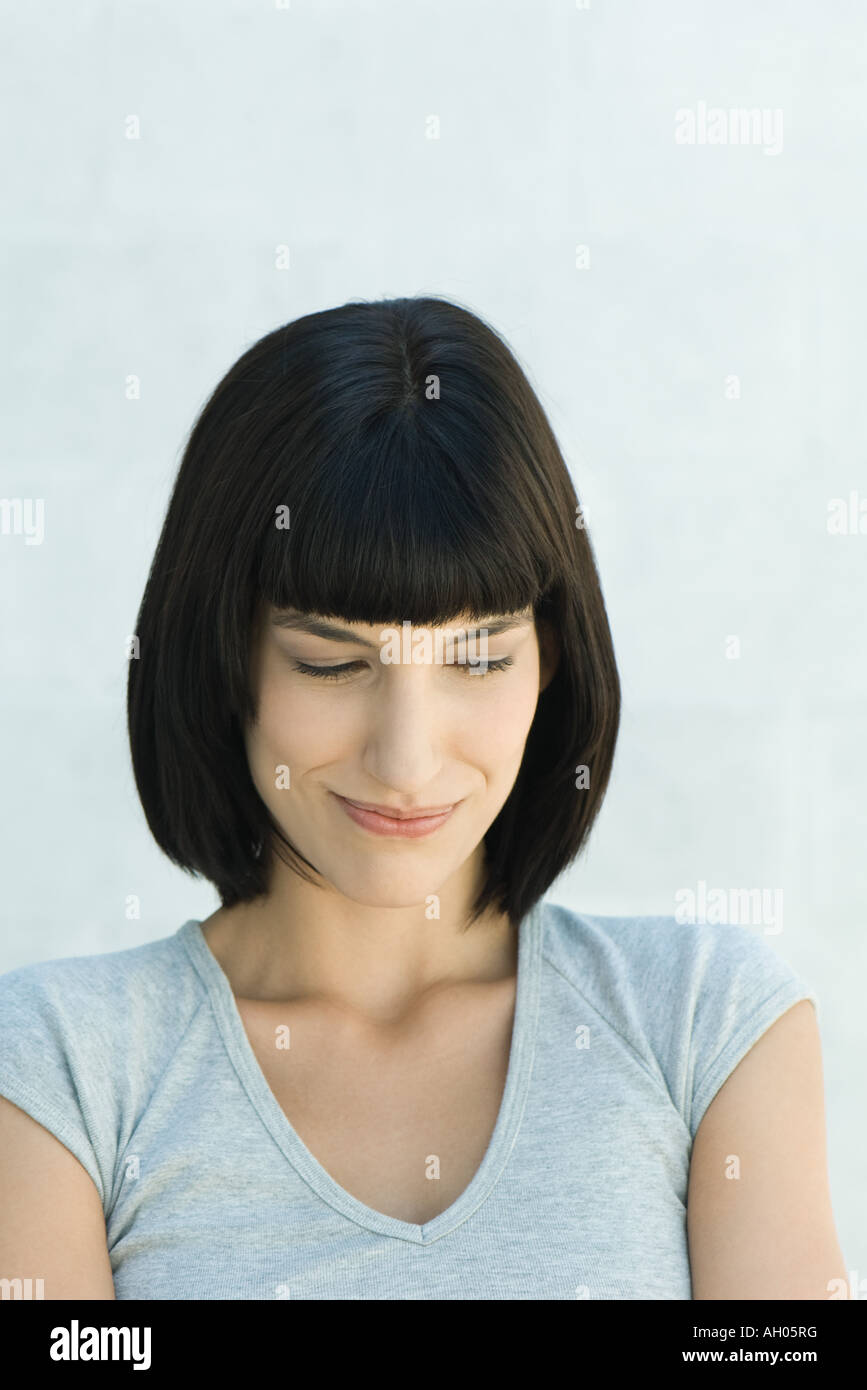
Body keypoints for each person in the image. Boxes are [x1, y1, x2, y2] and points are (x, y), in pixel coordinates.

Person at [0, 296, 847, 1300]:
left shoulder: (709, 1024)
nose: (406, 760)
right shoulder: (59, 1070)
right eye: (330, 661)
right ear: (225, 660)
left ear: (550, 666)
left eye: (480, 656)